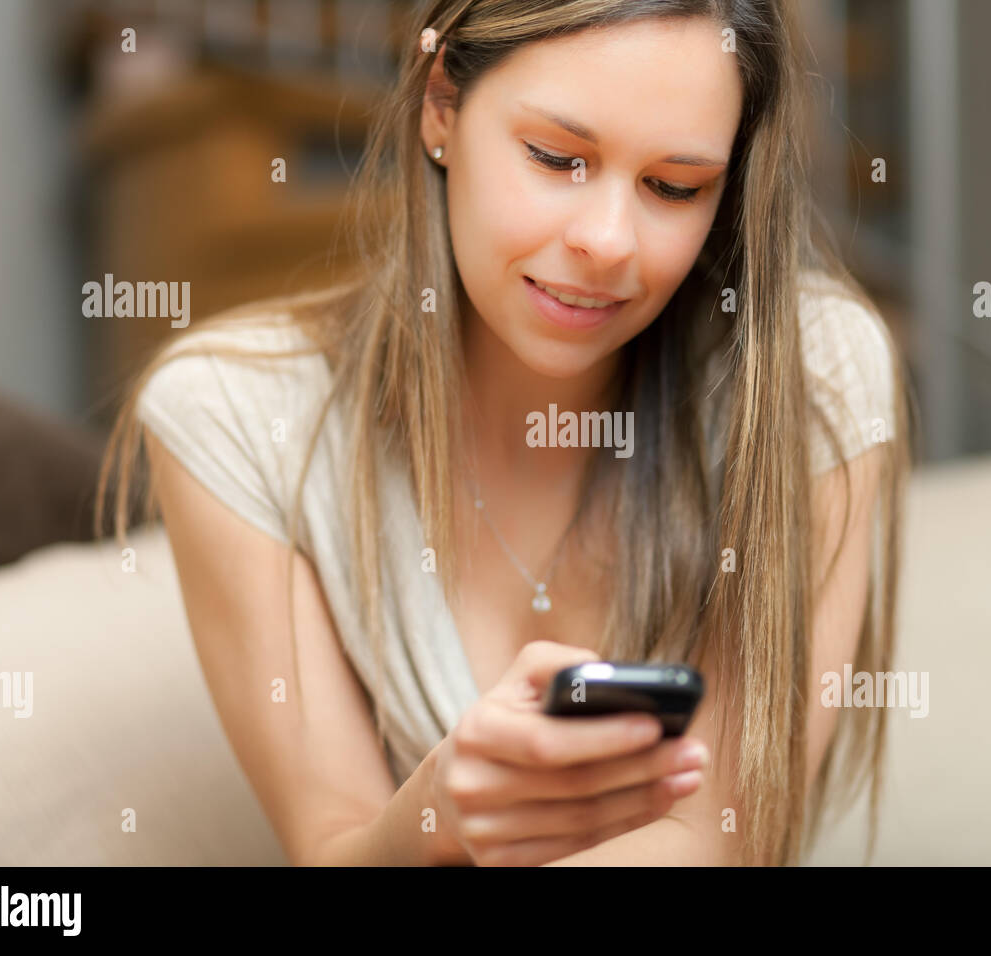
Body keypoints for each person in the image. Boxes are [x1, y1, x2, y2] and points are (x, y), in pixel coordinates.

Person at [97, 0, 911, 867]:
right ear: (441, 105)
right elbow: (332, 847)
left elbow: (725, 841)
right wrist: (434, 814)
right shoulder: (235, 416)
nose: (606, 241)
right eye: (557, 158)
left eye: (675, 186)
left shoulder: (809, 378)